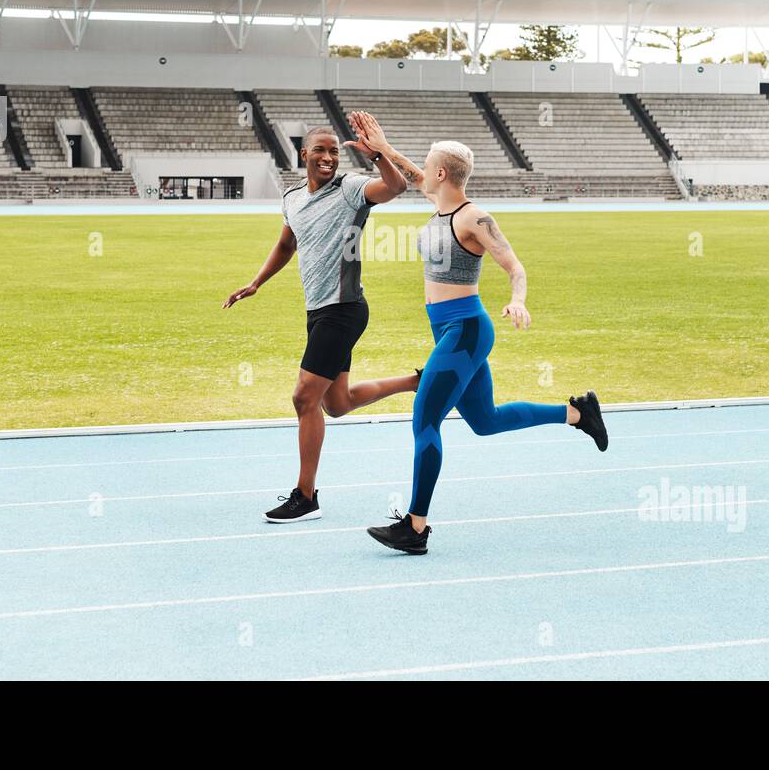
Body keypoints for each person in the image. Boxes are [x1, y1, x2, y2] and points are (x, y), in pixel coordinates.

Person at [344, 112, 608, 554]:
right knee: (484, 421)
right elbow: (416, 173)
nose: (420, 172)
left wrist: (518, 299)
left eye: (428, 167)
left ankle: (416, 526)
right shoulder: (442, 205)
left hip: (466, 330)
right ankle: (579, 414)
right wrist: (385, 149)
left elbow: (514, 266)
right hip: (449, 329)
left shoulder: (474, 218)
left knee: (425, 420)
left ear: (442, 174)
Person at [224, 123, 417, 523]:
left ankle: (306, 495)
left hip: (343, 309)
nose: (328, 158)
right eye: (320, 151)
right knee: (337, 403)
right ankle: (418, 380)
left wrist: (378, 153)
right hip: (318, 311)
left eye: (334, 151)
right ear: (303, 154)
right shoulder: (292, 198)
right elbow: (285, 244)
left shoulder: (350, 189)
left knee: (303, 398)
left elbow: (396, 187)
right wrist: (256, 282)